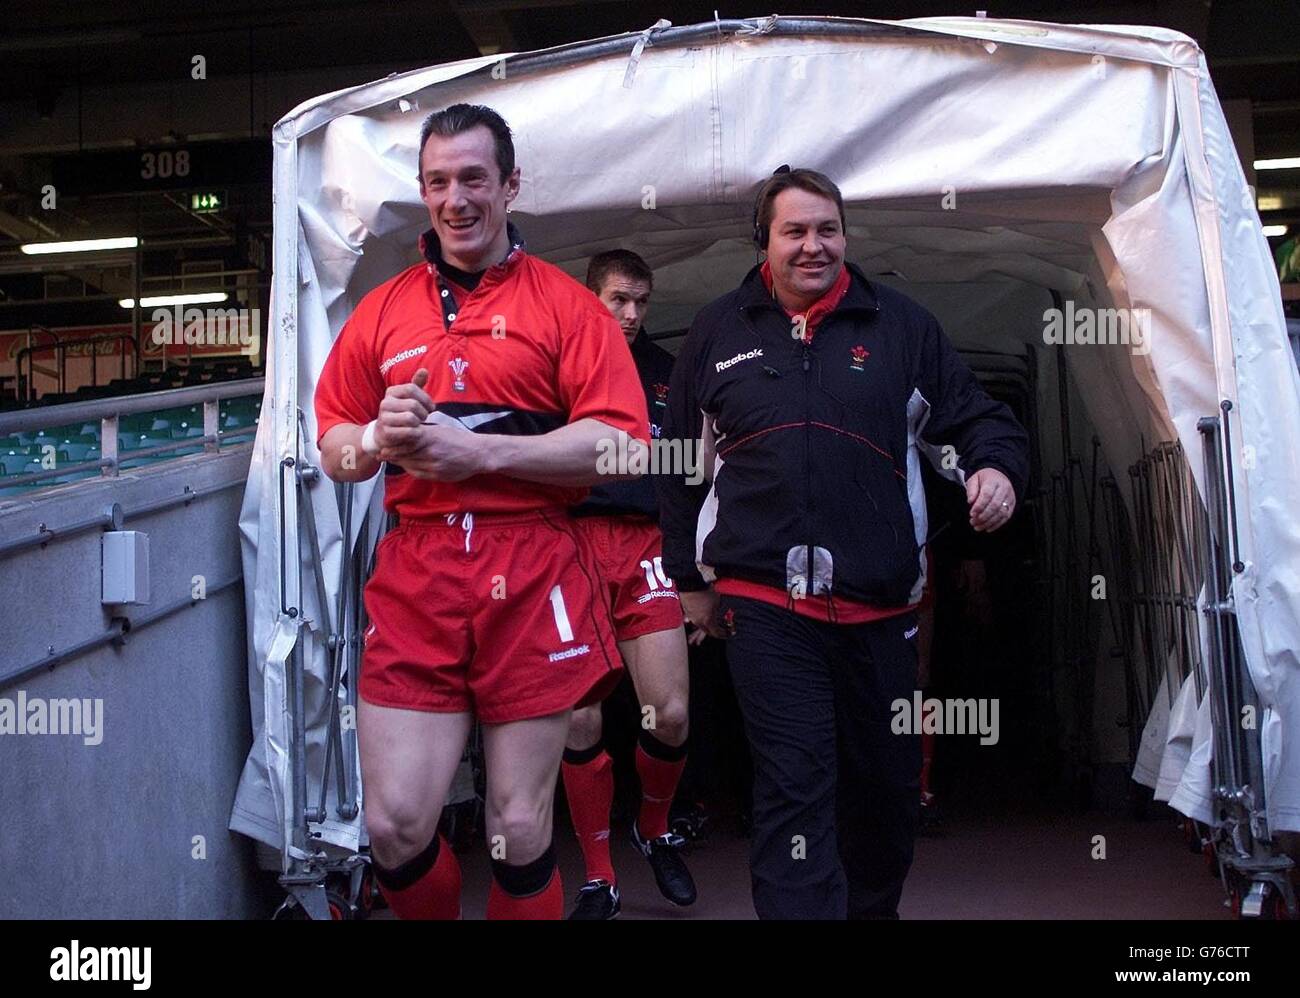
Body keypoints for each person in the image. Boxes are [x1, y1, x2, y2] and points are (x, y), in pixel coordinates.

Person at [657, 167, 1030, 919]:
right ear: (763, 240)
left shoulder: (900, 325)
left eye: (827, 229)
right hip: (766, 605)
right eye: (794, 231)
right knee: (796, 783)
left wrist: (995, 470)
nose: (813, 246)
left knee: (885, 797)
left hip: (881, 611)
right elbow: (677, 467)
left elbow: (975, 418)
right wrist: (686, 580)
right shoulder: (718, 330)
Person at [314, 104, 649, 920]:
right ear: (423, 192)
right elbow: (335, 448)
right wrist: (375, 437)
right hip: (418, 568)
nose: (455, 198)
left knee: (519, 825)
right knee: (393, 827)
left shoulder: (570, 308)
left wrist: (486, 455)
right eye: (438, 182)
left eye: (473, 179)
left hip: (531, 567)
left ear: (509, 185)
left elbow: (624, 448)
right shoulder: (384, 310)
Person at [562, 249, 695, 919]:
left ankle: (653, 827)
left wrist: (700, 572)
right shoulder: (555, 361)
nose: (633, 313)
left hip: (647, 543)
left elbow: (693, 477)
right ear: (592, 297)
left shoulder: (669, 375)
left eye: (642, 300)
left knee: (669, 711)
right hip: (572, 546)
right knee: (579, 715)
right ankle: (598, 876)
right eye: (619, 299)